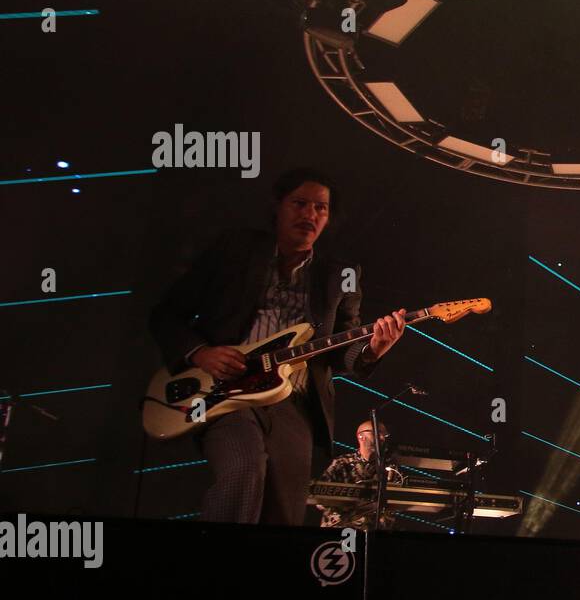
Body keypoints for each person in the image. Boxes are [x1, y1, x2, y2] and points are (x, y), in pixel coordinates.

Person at [149, 168, 408, 525]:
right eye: (300, 203)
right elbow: (166, 315)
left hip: (294, 405)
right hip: (228, 395)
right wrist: (203, 354)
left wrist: (374, 349)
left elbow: (339, 354)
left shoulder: (338, 275)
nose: (310, 215)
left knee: (284, 513)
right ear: (278, 207)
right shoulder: (236, 250)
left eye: (321, 208)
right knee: (243, 471)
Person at [316, 418, 405, 528]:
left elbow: (399, 502)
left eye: (384, 435)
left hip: (376, 534)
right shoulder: (342, 463)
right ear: (361, 436)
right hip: (341, 532)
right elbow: (319, 497)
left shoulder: (390, 467)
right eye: (377, 433)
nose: (382, 438)